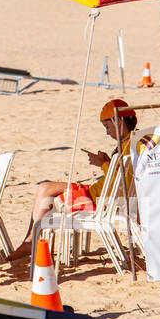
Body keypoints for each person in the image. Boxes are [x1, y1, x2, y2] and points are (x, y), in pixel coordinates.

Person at [11, 98, 138, 259]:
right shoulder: (133, 142)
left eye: (107, 126)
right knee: (45, 188)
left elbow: (119, 184)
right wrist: (107, 162)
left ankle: (31, 241)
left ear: (118, 121)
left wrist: (103, 165)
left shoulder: (127, 147)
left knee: (46, 191)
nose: (107, 132)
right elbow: (120, 179)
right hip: (99, 194)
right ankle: (30, 240)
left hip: (98, 200)